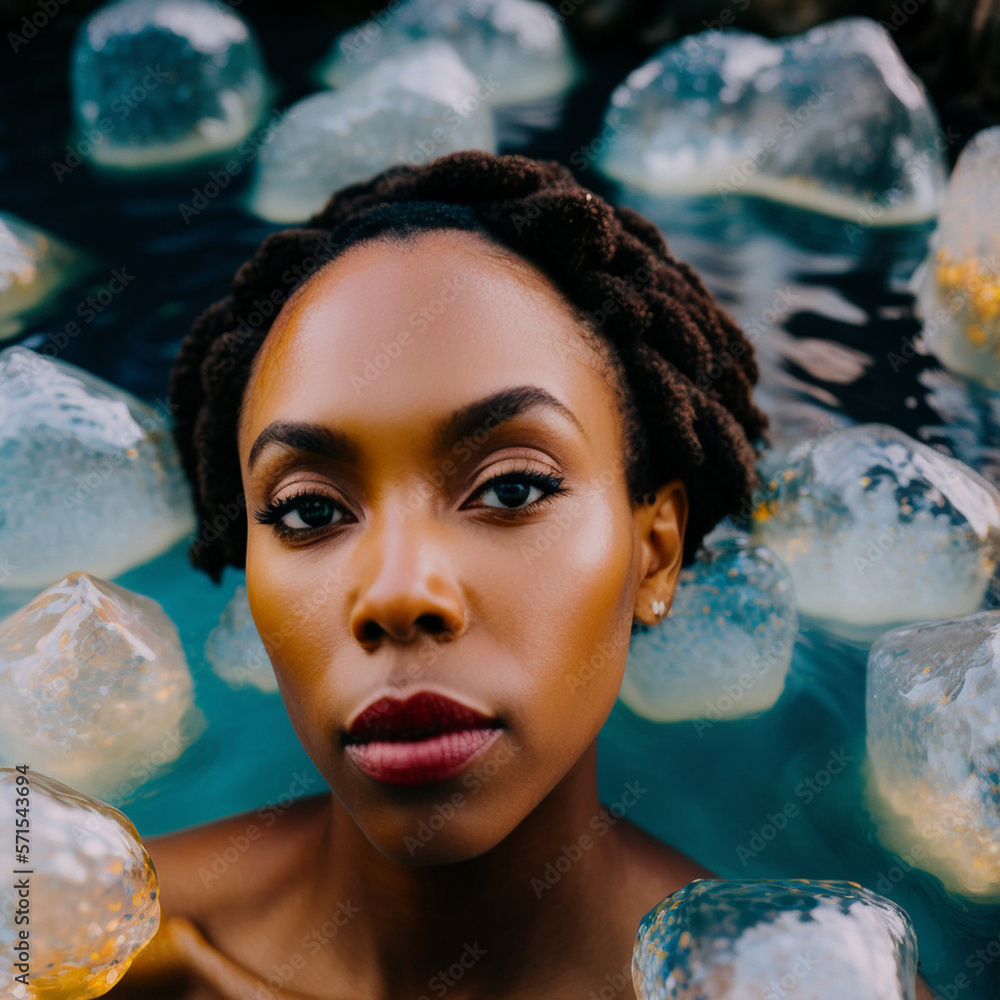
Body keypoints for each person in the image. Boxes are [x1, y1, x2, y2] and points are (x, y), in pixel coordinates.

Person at [105, 150, 929, 1000]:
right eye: (311, 511)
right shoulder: (68, 947)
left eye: (511, 488)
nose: (398, 593)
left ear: (656, 552)